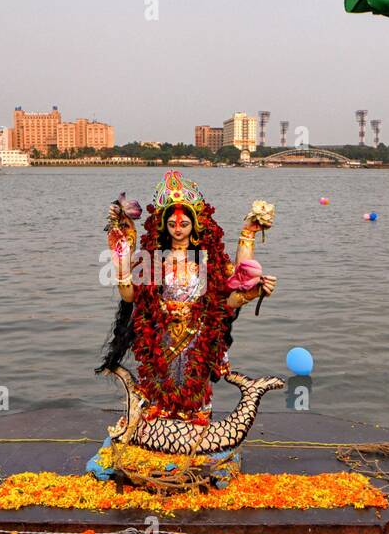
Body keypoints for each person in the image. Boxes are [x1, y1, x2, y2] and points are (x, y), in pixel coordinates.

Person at [96, 171, 275, 423]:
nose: (178, 230)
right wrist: (122, 250)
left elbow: (229, 298)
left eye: (183, 224)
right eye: (172, 224)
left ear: (195, 227)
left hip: (198, 337)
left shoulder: (209, 262)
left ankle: (194, 433)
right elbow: (128, 296)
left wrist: (252, 284)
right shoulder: (152, 261)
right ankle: (157, 434)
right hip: (160, 337)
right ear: (163, 227)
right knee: (158, 396)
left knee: (194, 395)